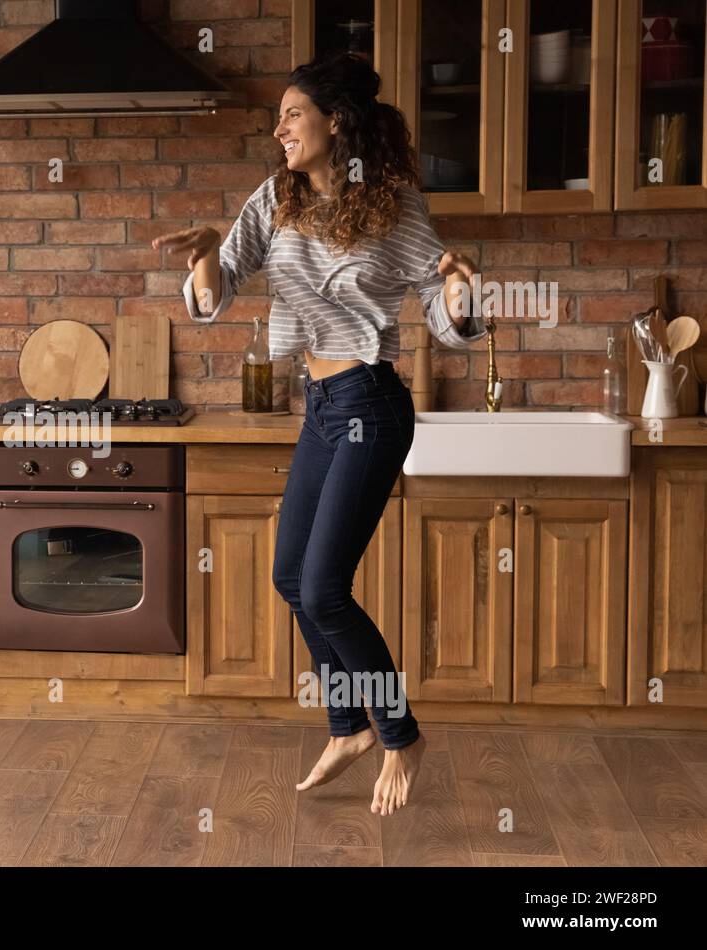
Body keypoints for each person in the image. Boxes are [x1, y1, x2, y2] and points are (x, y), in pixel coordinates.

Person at [154, 52, 488, 815]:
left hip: (373, 403)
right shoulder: (274, 199)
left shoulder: (393, 208)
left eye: (292, 116)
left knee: (325, 589)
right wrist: (206, 262)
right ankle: (348, 726)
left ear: (334, 123)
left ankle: (399, 735)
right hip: (323, 407)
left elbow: (445, 312)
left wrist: (463, 297)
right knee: (290, 579)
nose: (279, 130)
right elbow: (215, 291)